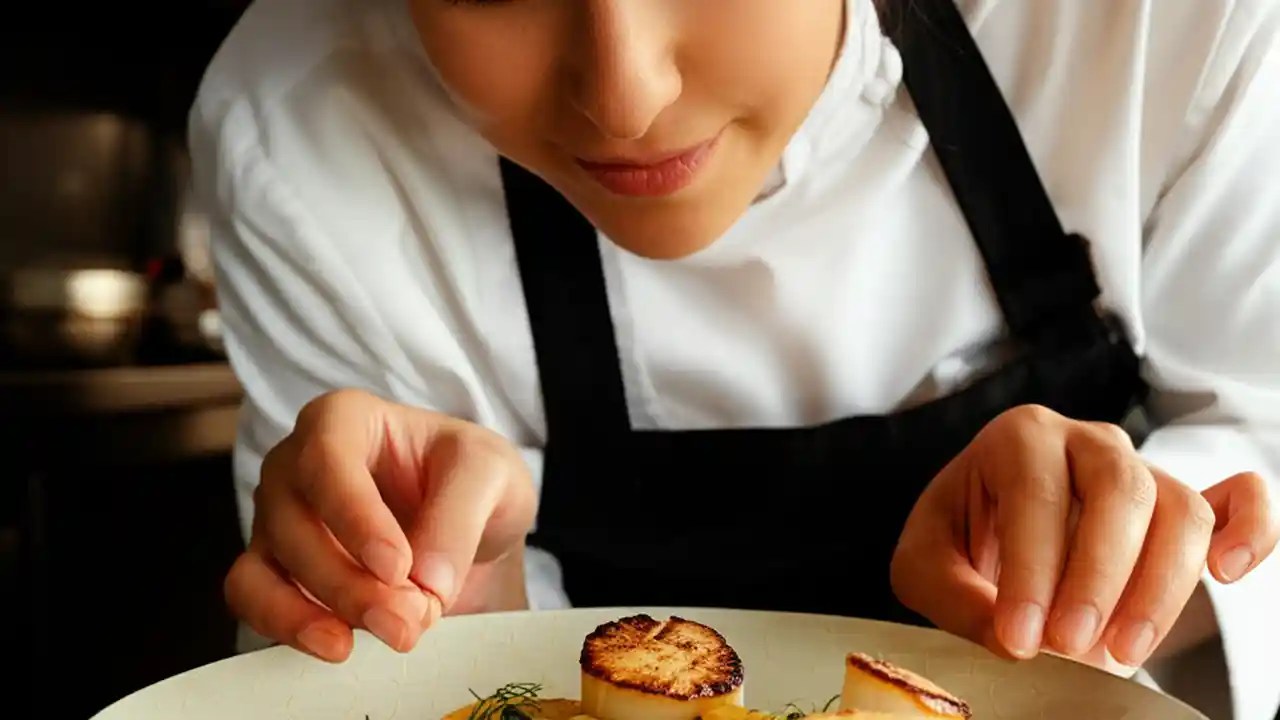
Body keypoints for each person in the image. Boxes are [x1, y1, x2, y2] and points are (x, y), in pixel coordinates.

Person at [187, 0, 1280, 717]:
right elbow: (351, 688)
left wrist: (1102, 563)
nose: (625, 98)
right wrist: (448, 606)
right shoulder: (299, 129)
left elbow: (1264, 460)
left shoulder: (1170, 23)